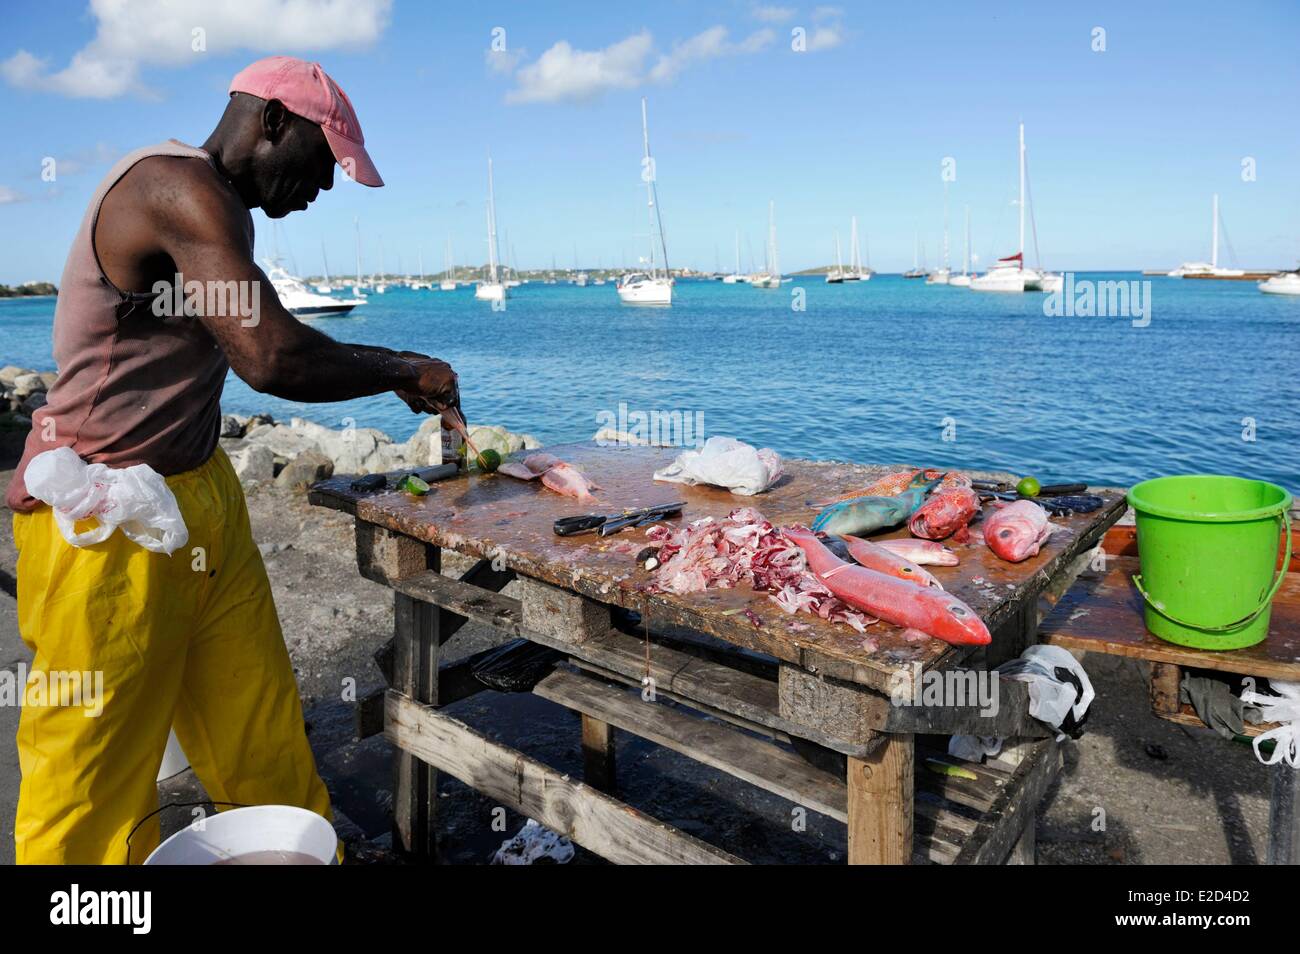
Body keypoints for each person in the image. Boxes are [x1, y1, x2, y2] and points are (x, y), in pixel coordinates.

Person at [6, 55, 459, 864]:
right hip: (103, 518)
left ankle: (295, 848)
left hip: (196, 494)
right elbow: (272, 356)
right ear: (273, 122)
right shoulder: (174, 189)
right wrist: (401, 369)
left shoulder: (223, 213)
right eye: (324, 165)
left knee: (254, 717)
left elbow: (273, 333)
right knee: (90, 765)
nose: (322, 189)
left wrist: (389, 367)